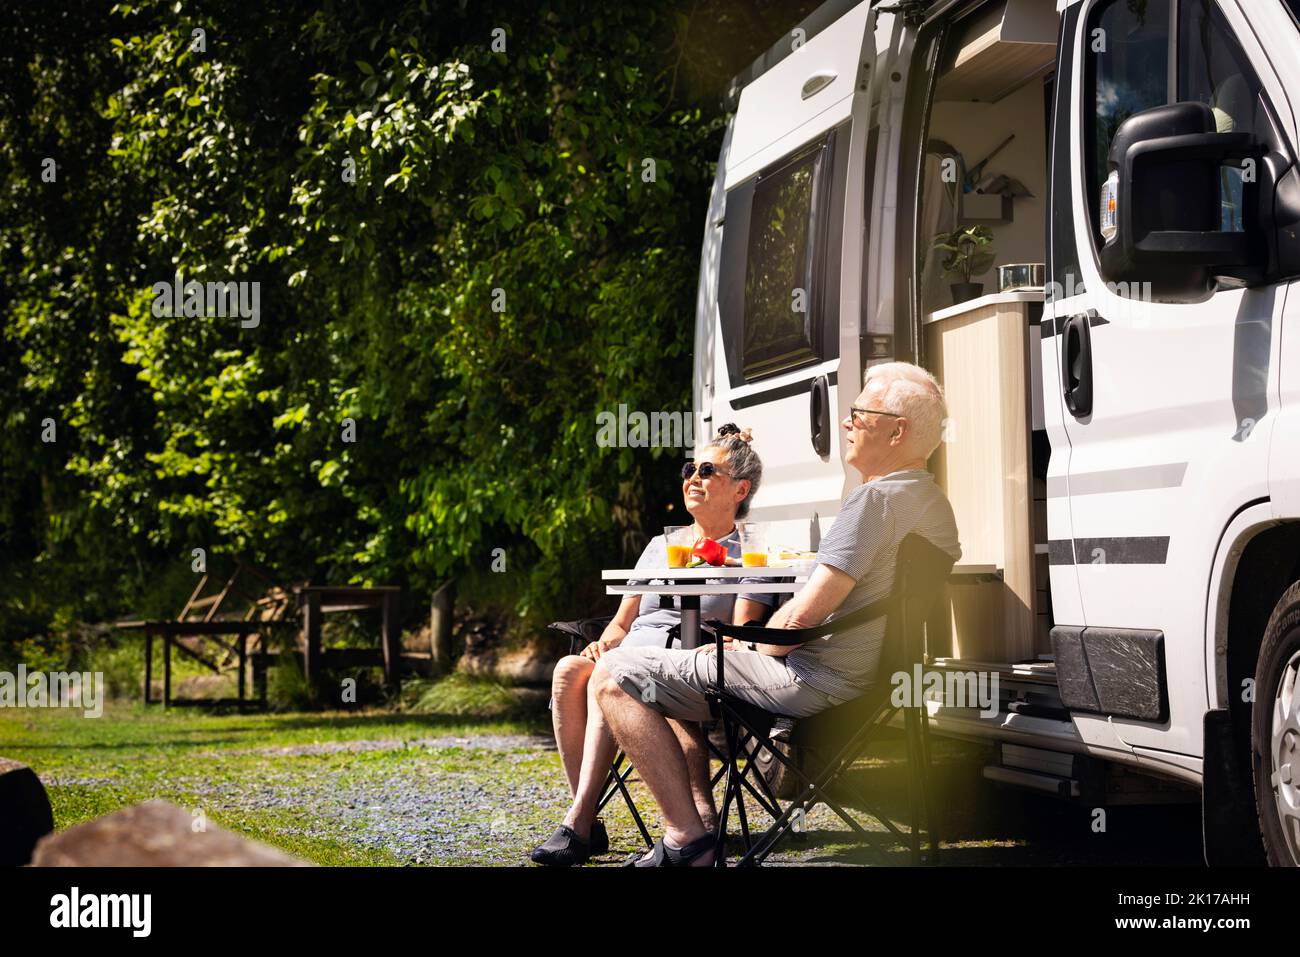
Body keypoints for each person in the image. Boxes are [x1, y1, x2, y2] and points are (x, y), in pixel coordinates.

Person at [592, 361, 962, 866]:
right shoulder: (932, 501)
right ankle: (693, 823)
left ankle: (687, 838)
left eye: (860, 412)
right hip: (876, 680)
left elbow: (795, 627)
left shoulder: (872, 502)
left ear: (897, 432)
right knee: (658, 669)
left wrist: (741, 644)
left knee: (614, 675)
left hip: (811, 680)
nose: (848, 422)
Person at [529, 424, 777, 866]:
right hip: (636, 652)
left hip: (687, 661)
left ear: (740, 489)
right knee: (572, 670)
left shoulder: (751, 549)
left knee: (616, 677)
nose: (692, 478)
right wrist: (600, 645)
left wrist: (726, 643)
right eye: (689, 469)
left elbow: (743, 630)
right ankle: (588, 816)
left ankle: (579, 823)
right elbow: (622, 623)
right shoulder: (660, 545)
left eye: (706, 470)